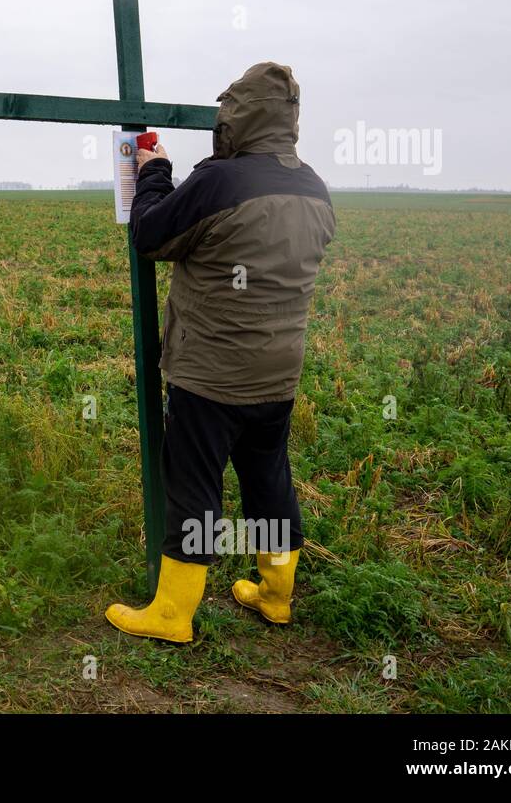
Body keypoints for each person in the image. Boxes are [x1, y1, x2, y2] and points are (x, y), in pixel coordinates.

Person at [105, 61, 335, 643]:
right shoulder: (312, 185)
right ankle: (276, 595)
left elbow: (150, 234)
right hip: (280, 372)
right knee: (267, 478)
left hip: (211, 373)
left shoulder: (218, 182)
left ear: (237, 116)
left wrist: (154, 173)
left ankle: (172, 614)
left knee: (194, 485)